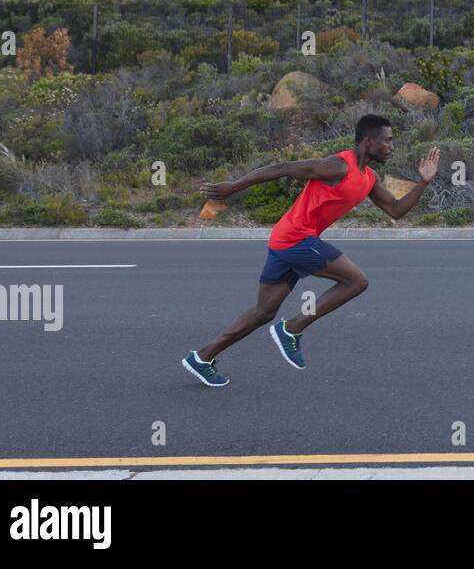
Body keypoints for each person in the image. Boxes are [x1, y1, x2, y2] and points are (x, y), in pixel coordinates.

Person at [181, 114, 439, 386]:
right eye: (387, 140)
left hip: (286, 240)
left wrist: (423, 182)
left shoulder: (369, 178)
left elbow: (395, 210)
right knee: (356, 281)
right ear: (368, 141)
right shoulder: (338, 166)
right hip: (295, 239)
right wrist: (234, 187)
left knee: (264, 311)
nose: (392, 146)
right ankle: (291, 329)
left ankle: (202, 357)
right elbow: (283, 167)